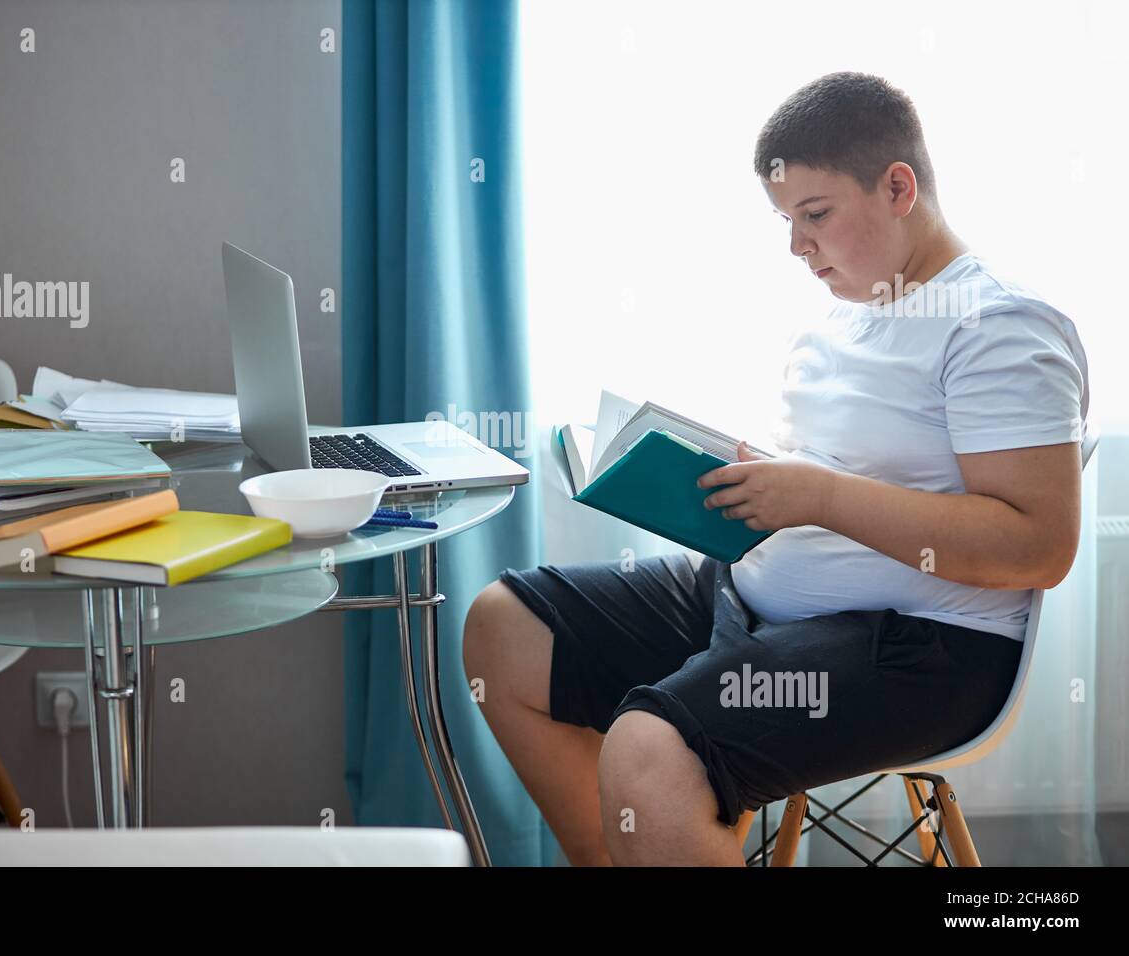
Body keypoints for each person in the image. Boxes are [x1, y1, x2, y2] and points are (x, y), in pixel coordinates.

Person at [463, 72, 1089, 866]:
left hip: (922, 648)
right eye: (785, 221)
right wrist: (762, 480)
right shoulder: (844, 313)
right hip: (750, 594)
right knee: (506, 627)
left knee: (648, 754)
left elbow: (1038, 547)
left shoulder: (997, 326)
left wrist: (820, 496)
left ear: (898, 187)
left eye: (815, 216)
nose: (798, 246)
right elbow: (845, 469)